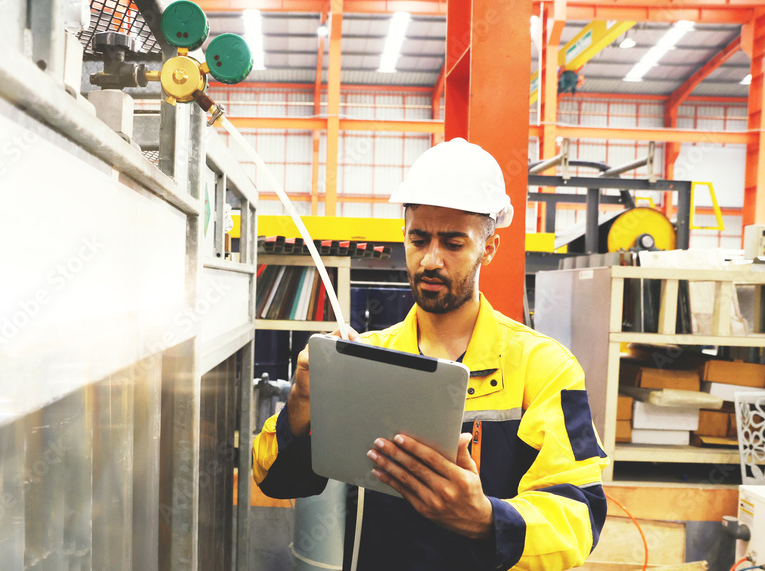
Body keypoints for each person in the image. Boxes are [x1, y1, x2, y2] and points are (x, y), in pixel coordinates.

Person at [252, 138, 609, 570]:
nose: (430, 261)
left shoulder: (544, 369)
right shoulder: (365, 361)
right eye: (418, 239)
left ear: (489, 248)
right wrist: (302, 403)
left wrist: (487, 519)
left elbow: (579, 514)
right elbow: (275, 479)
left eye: (453, 244)